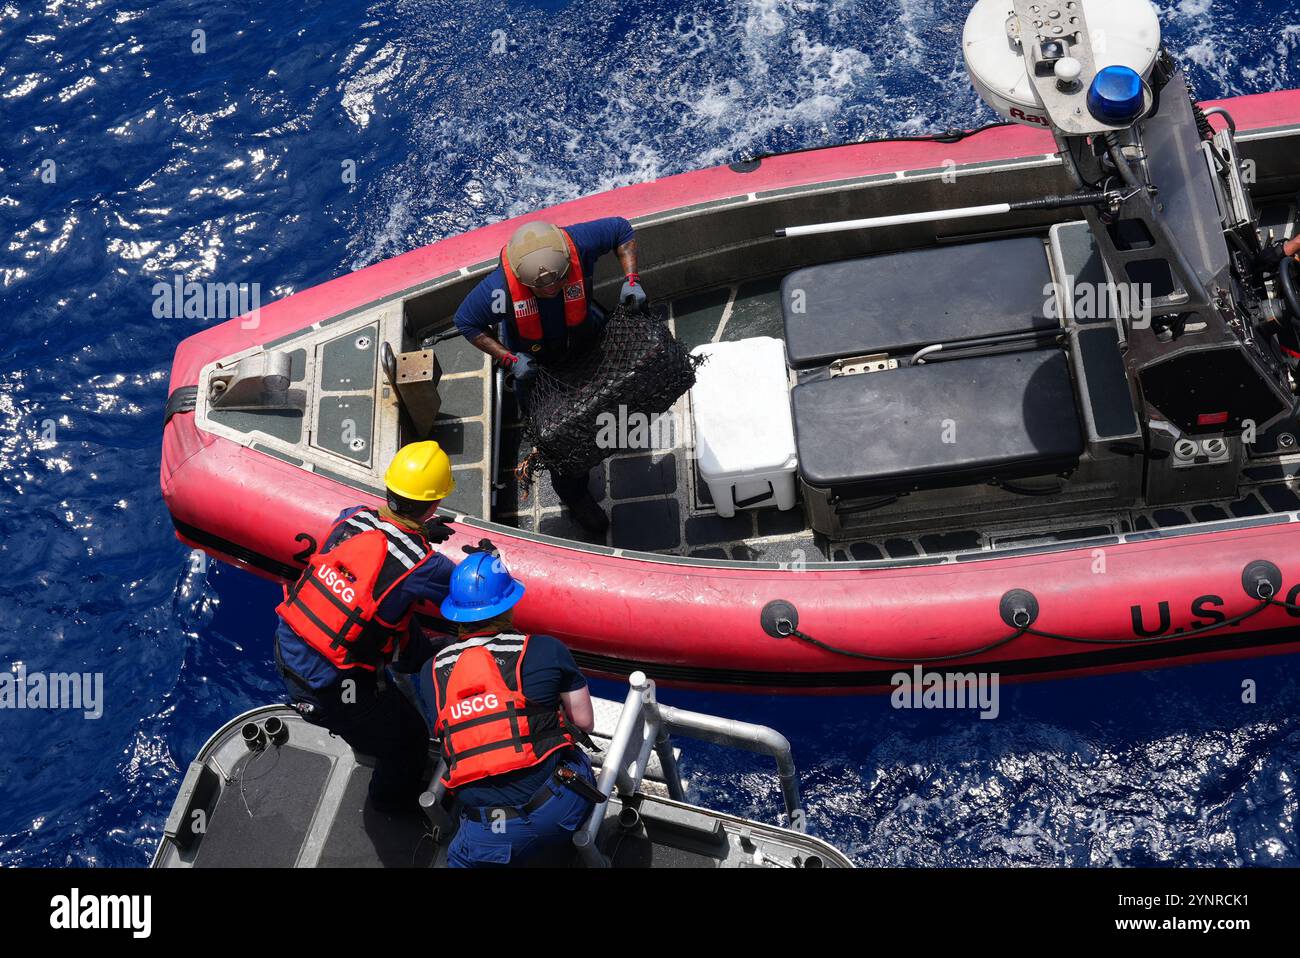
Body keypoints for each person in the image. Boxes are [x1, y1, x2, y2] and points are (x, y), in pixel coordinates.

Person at [273, 441, 458, 815]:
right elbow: (466, 593)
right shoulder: (426, 567)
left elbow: (376, 555)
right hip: (333, 687)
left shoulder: (350, 518)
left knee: (385, 682)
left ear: (389, 489)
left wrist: (418, 530)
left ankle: (363, 728)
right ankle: (390, 803)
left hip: (286, 648)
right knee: (409, 740)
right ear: (435, 504)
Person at [453, 217, 648, 535]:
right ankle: (575, 494)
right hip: (536, 365)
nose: (551, 289)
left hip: (583, 337)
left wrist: (632, 279)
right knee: (563, 441)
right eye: (540, 286)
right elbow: (466, 322)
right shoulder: (498, 288)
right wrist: (510, 359)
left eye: (556, 281)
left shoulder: (580, 243)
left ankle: (613, 431)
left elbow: (622, 231)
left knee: (614, 396)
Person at [425, 552, 600, 867]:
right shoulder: (546, 648)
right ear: (507, 605)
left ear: (456, 614)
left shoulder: (431, 671)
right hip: (556, 810)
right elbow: (584, 722)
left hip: (486, 832)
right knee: (575, 757)